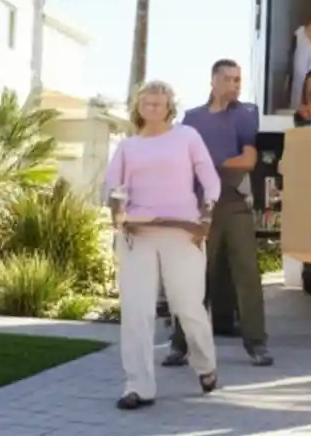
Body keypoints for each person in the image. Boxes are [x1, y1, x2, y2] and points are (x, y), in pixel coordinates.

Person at [105, 80, 220, 410]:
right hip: (138, 234)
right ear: (138, 107)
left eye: (159, 102)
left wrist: (207, 212)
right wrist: (117, 210)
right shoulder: (128, 147)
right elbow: (113, 187)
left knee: (187, 306)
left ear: (170, 107)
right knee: (136, 310)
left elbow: (209, 178)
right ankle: (138, 385)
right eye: (146, 102)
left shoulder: (187, 136)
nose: (152, 106)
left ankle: (206, 365)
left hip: (182, 231)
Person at [167, 59, 274, 367]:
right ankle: (180, 345)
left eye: (238, 80)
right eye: (228, 79)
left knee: (247, 272)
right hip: (199, 207)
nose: (235, 85)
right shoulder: (192, 119)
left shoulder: (245, 113)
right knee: (194, 276)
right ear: (213, 81)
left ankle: (257, 344)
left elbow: (248, 160)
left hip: (234, 203)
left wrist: (206, 162)